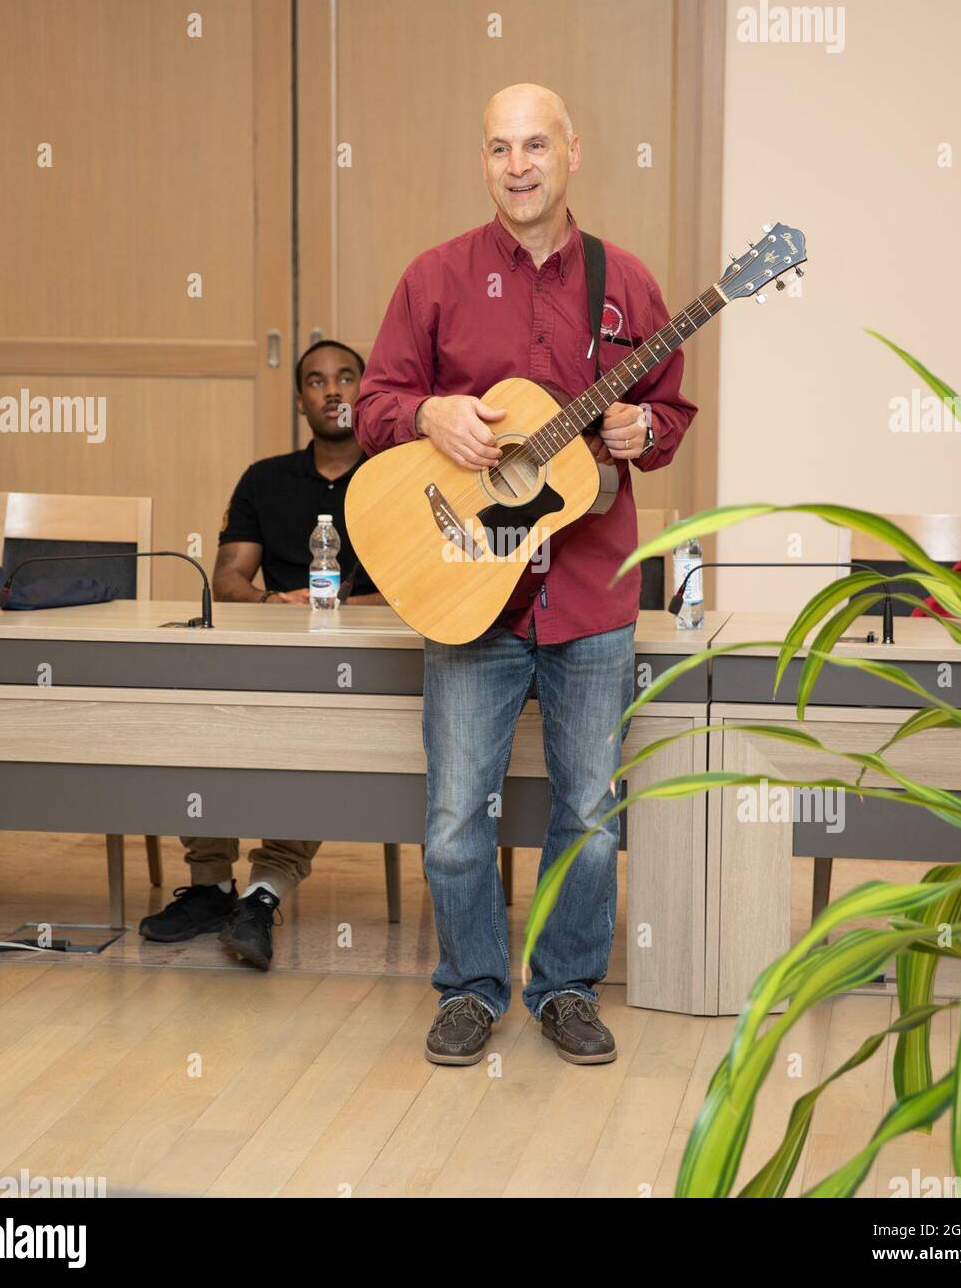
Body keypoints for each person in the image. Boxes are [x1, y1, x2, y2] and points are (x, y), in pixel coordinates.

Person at [354, 84, 697, 1064]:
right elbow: (374, 406)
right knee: (456, 814)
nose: (518, 165)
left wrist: (642, 429)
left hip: (590, 594)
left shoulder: (626, 283)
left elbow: (669, 414)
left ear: (571, 152)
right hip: (467, 586)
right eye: (500, 147)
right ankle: (469, 987)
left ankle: (565, 989)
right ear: (484, 159)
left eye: (535, 145)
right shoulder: (434, 278)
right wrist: (429, 415)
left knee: (589, 813)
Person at [139, 339, 384, 969]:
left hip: (362, 669)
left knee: (319, 738)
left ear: (368, 391)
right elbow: (228, 580)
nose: (333, 391)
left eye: (347, 378)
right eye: (316, 381)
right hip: (272, 656)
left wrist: (338, 609)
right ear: (300, 400)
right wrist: (276, 601)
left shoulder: (397, 477)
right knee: (197, 712)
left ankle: (264, 893)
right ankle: (211, 886)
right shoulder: (265, 479)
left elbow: (419, 590)